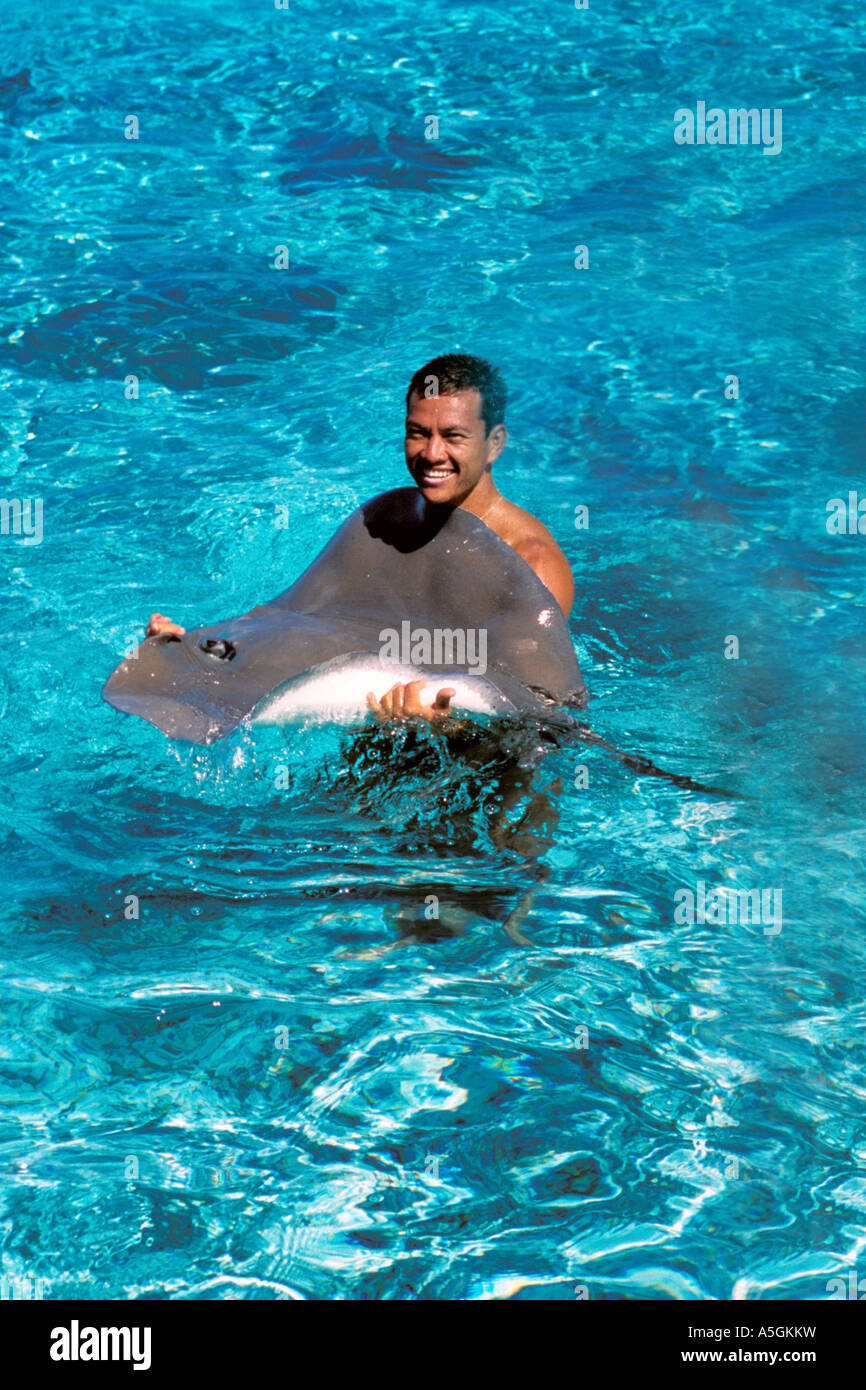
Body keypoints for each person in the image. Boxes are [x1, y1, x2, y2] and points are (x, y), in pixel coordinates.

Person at [146, 353, 576, 724]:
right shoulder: (387, 520)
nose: (431, 453)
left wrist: (449, 726)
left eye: (453, 436)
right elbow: (302, 615)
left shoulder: (529, 565)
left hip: (479, 760)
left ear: (495, 443)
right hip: (384, 718)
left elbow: (540, 719)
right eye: (418, 432)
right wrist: (200, 649)